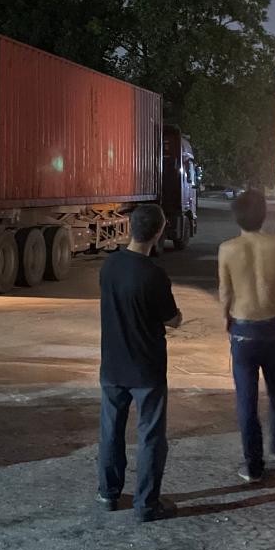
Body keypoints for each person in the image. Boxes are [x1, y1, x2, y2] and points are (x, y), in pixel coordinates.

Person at [97, 204, 183, 522]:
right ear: (158, 232)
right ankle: (146, 504)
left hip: (112, 365)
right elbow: (172, 319)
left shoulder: (109, 266)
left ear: (130, 228)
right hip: (146, 368)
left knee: (110, 431)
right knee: (150, 436)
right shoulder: (153, 275)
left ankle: (108, 493)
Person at [217, 190, 275, 482]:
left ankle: (253, 464)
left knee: (246, 401)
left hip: (243, 331)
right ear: (264, 215)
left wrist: (226, 320)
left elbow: (225, 292)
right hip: (274, 327)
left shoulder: (227, 249)